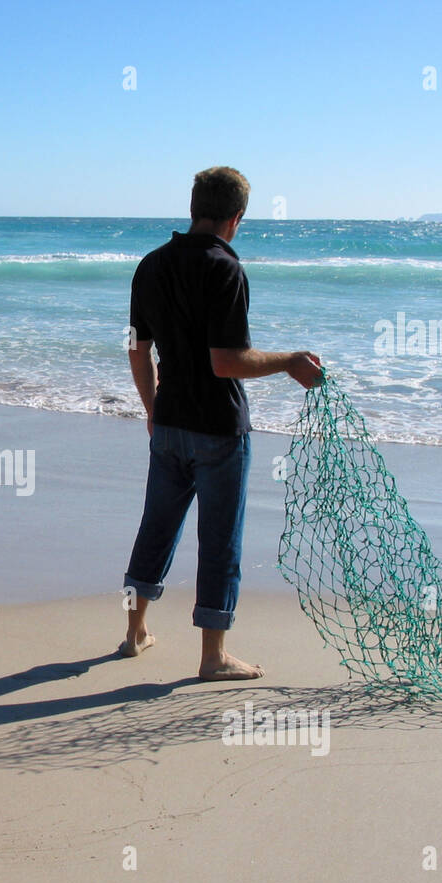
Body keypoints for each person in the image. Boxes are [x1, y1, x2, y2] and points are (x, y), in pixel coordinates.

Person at [120, 166, 322, 678]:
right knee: (220, 541)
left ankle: (133, 632)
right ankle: (212, 657)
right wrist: (290, 362)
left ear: (193, 208)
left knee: (155, 529)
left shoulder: (151, 265)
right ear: (236, 218)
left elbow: (137, 349)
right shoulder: (225, 269)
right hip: (218, 429)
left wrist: (151, 408)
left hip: (168, 424)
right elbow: (227, 361)